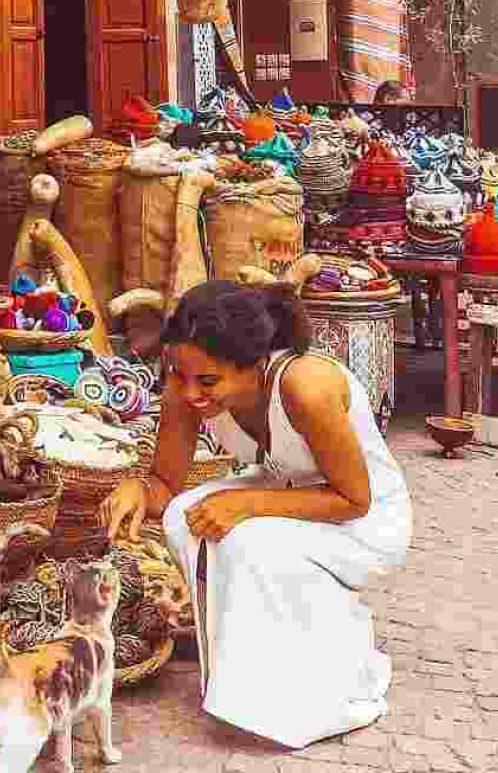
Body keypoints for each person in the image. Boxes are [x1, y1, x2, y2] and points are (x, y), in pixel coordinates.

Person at [99, 281, 412, 749]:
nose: (191, 393)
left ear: (256, 364)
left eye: (209, 382)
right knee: (185, 516)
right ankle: (243, 678)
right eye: (180, 376)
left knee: (245, 539)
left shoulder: (305, 385)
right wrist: (136, 489)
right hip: (288, 492)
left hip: (365, 521)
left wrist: (245, 504)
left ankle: (325, 684)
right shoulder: (186, 386)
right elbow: (166, 484)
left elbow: (354, 499)